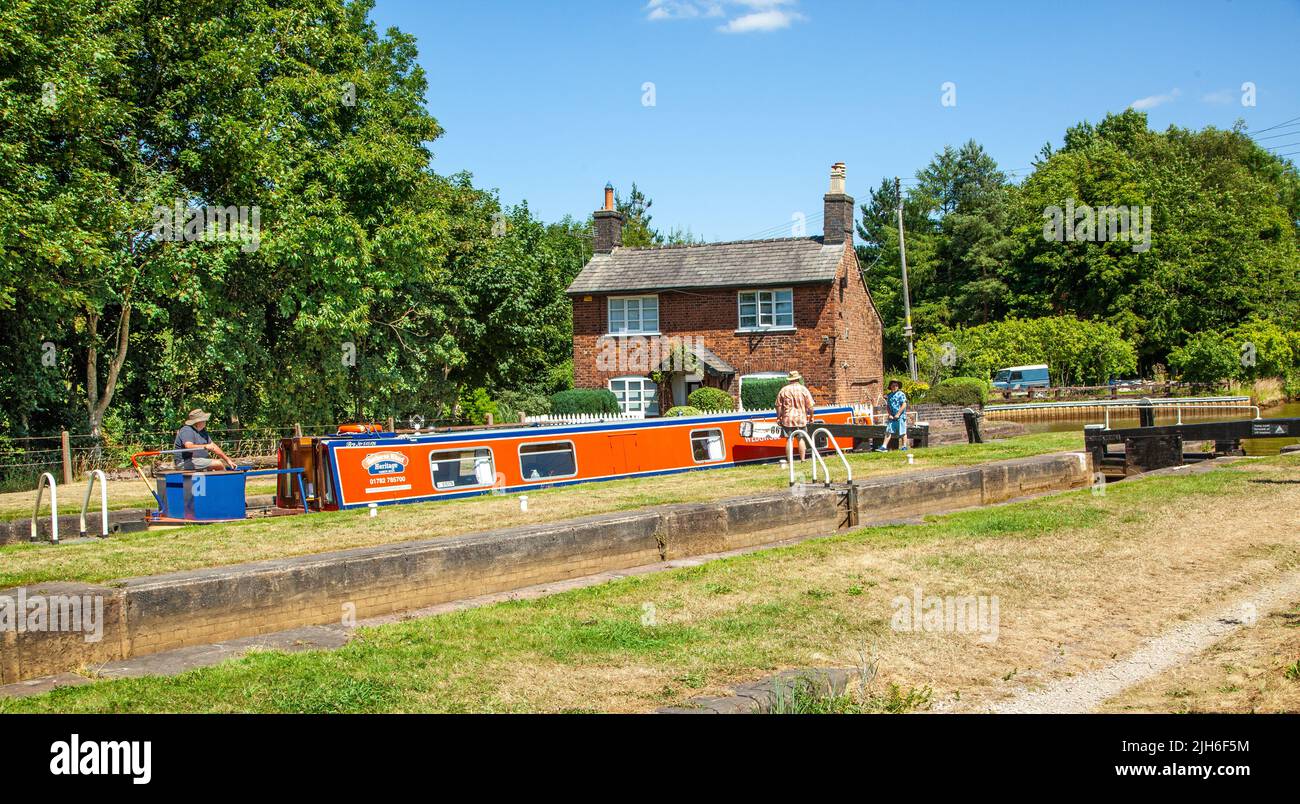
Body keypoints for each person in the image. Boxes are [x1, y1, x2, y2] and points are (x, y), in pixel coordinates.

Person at [775, 370, 817, 461]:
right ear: (798, 378)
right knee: (801, 439)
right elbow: (810, 406)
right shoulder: (803, 389)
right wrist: (811, 416)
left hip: (787, 418)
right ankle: (802, 459)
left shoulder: (784, 390)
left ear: (789, 379)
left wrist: (779, 417)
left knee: (789, 440)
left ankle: (790, 460)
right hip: (801, 418)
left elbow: (778, 405)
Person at [875, 380, 909, 452]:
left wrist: (898, 414)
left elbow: (904, 404)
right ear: (890, 386)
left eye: (896, 385)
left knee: (902, 432)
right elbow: (888, 406)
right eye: (893, 385)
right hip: (892, 417)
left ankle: (904, 446)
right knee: (888, 431)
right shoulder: (889, 395)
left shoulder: (901, 394)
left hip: (900, 416)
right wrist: (890, 414)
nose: (895, 387)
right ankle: (884, 447)